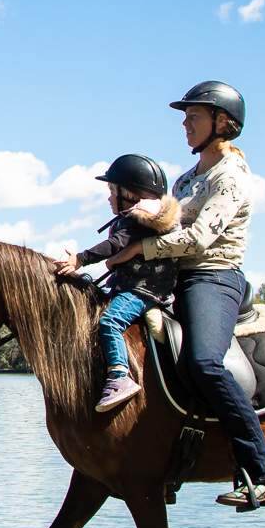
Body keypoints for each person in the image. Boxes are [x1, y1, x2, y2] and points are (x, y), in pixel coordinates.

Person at [105, 80, 265, 509]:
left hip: (213, 277)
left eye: (194, 116)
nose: (185, 123)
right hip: (171, 278)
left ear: (223, 122)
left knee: (203, 362)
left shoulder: (231, 176)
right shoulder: (188, 178)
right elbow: (167, 221)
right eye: (186, 117)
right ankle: (166, 460)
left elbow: (201, 238)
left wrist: (139, 248)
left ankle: (262, 472)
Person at [54, 154, 179, 413]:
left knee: (110, 321)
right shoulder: (133, 219)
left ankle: (120, 376)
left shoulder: (137, 220)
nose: (109, 197)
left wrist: (80, 259)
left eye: (113, 190)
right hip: (131, 286)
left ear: (130, 194)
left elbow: (115, 245)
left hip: (143, 290)